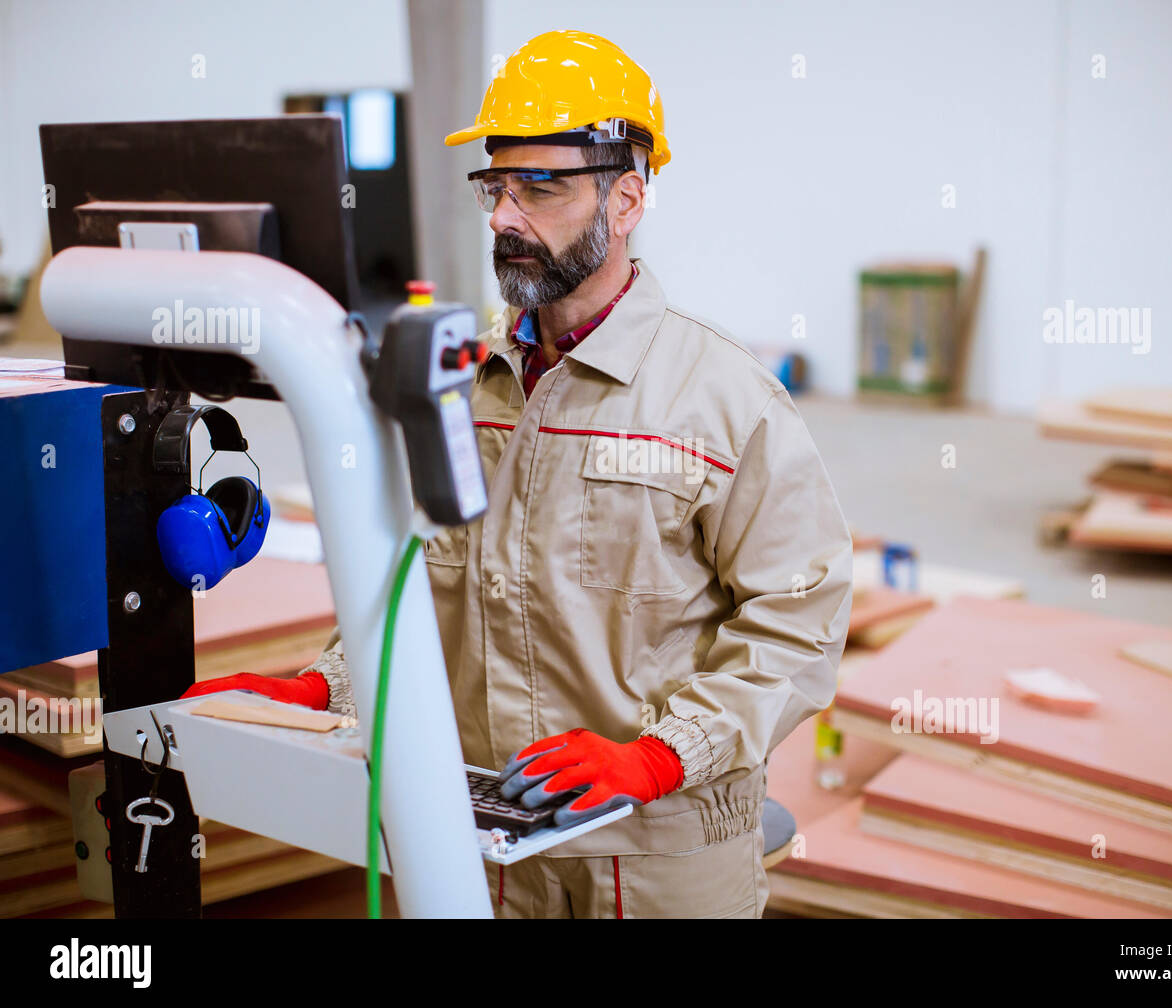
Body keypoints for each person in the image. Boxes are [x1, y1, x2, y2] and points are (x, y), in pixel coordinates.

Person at [187, 29, 854, 918]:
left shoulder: (727, 401)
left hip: (655, 857)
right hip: (482, 845)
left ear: (627, 199)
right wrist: (326, 687)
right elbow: (416, 586)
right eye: (495, 186)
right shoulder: (451, 393)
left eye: (541, 185)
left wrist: (657, 757)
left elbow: (799, 623)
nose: (506, 215)